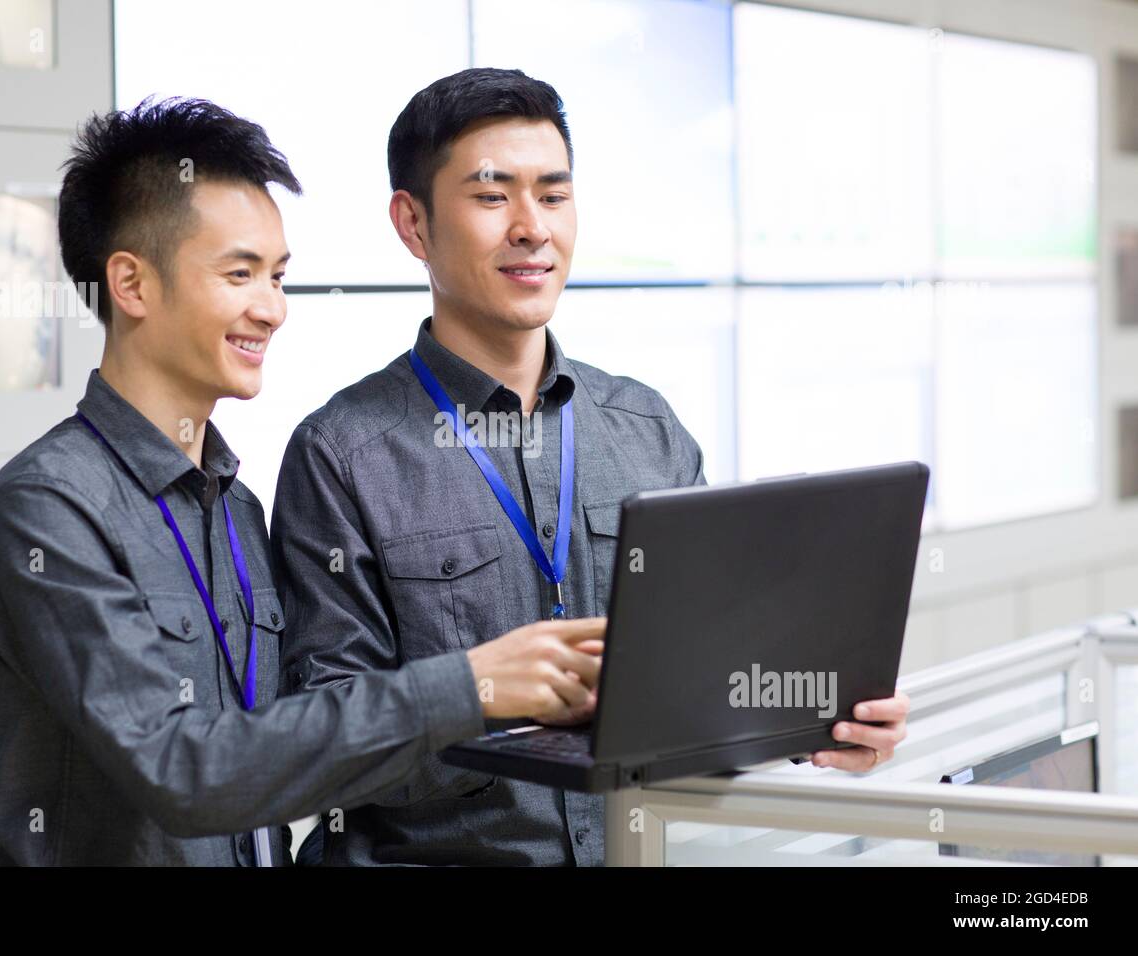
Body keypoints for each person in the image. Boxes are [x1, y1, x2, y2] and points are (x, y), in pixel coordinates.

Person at [272, 68, 910, 866]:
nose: (532, 227)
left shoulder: (646, 429)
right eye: (492, 195)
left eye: (553, 193)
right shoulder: (342, 454)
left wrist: (816, 721)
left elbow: (709, 678)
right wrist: (485, 698)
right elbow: (323, 741)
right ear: (413, 223)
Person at [0, 96, 604, 866]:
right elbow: (178, 769)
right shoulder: (49, 507)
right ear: (130, 285)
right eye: (241, 275)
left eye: (278, 276)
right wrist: (468, 688)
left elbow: (289, 747)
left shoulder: (233, 503)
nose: (273, 309)